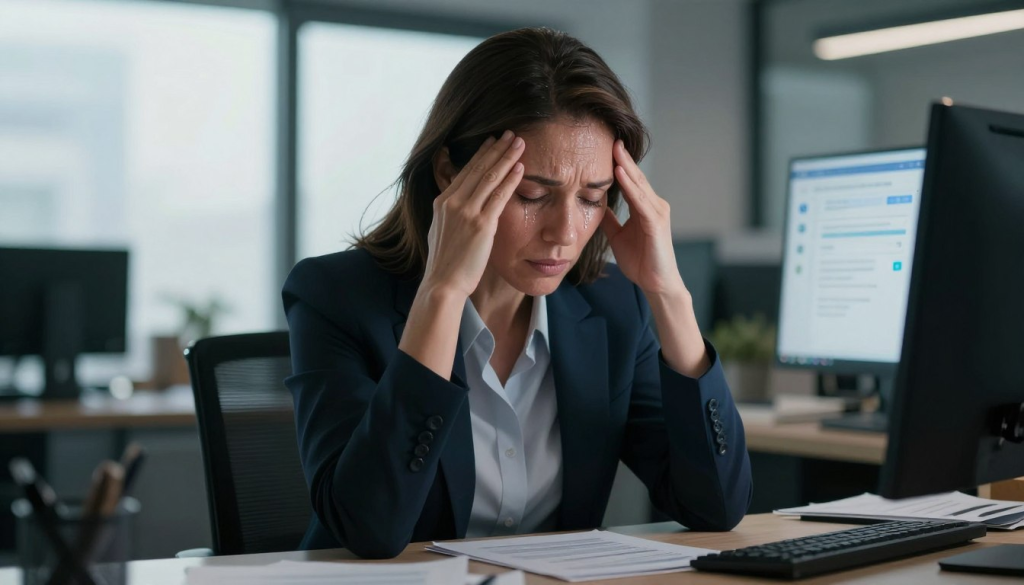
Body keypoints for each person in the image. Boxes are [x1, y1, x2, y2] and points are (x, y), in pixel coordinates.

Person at [283, 27, 752, 559]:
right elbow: (371, 528)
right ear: (449, 174)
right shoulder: (334, 296)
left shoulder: (615, 308)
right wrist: (441, 292)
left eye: (592, 199)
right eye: (532, 195)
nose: (566, 232)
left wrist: (669, 295)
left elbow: (715, 508)